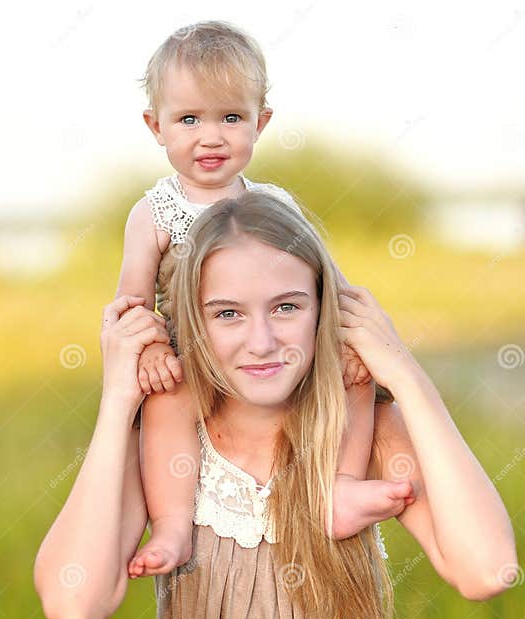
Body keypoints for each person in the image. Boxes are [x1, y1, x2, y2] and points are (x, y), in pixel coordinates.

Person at [34, 191, 517, 619]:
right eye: (228, 314)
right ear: (193, 323)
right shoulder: (167, 454)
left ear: (324, 311)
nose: (261, 341)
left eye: (286, 307)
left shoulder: (363, 433)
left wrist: (405, 375)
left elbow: (488, 569)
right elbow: (74, 607)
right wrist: (117, 402)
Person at [115, 20, 408, 579]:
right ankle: (173, 526)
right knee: (166, 398)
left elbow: (327, 282)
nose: (211, 137)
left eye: (231, 117)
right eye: (188, 119)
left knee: (354, 378)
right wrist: (152, 350)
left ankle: (339, 486)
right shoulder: (154, 213)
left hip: (275, 354)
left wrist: (350, 342)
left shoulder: (274, 204)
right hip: (198, 361)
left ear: (261, 122)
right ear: (156, 126)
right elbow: (131, 303)